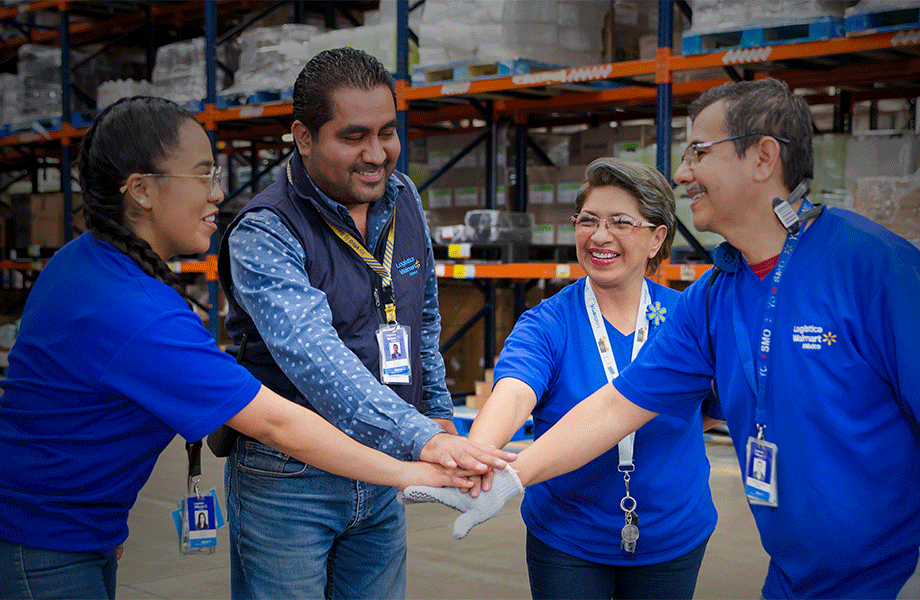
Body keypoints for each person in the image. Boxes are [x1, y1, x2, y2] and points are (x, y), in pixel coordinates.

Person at [403, 78, 920, 599]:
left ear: (763, 158)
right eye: (589, 221)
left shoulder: (877, 270)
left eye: (699, 151)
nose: (682, 173)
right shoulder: (714, 297)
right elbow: (616, 407)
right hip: (794, 576)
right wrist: (509, 478)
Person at [0, 96, 489, 600]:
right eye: (202, 175)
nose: (217, 194)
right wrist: (416, 464)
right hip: (41, 543)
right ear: (142, 191)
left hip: (71, 532)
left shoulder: (83, 263)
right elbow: (277, 421)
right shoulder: (137, 309)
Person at [217, 47, 511, 600]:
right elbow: (318, 360)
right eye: (353, 136)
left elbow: (422, 317)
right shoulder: (264, 232)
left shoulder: (402, 198)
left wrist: (438, 417)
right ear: (303, 137)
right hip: (290, 478)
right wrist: (422, 438)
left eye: (387, 132)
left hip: (383, 467)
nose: (376, 154)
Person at [464, 158, 721, 599]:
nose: (600, 236)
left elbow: (712, 410)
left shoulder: (689, 318)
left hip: (672, 538)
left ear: (657, 236)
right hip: (568, 538)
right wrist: (476, 459)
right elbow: (512, 393)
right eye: (588, 221)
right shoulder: (548, 322)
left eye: (620, 222)